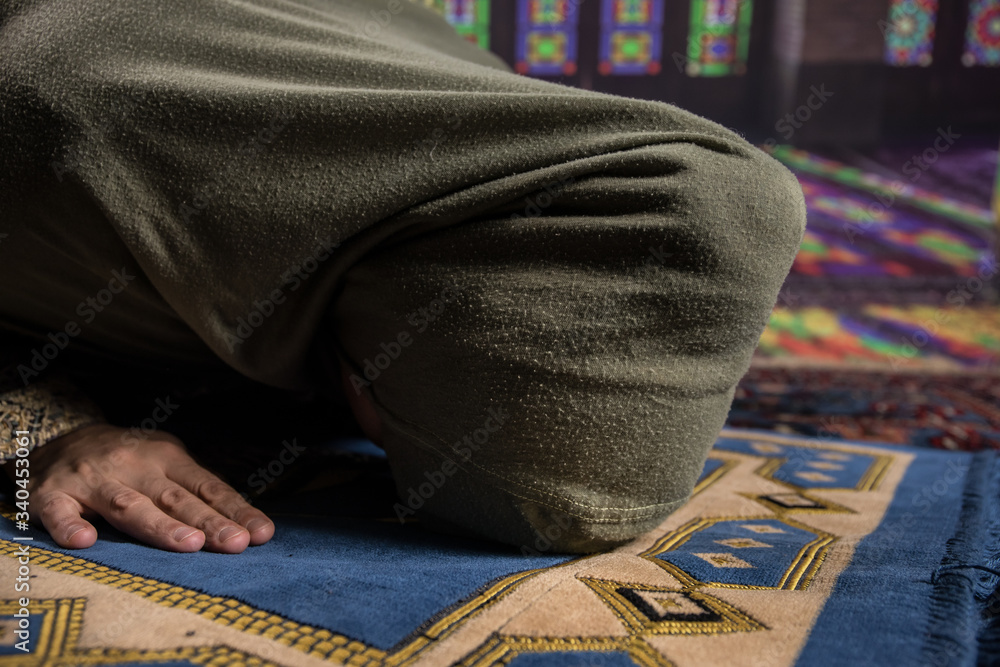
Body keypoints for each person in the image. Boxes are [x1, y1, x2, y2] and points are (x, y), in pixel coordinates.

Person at [0, 0, 806, 554]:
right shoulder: (47, 149)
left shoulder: (490, 131)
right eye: (393, 441)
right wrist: (45, 428)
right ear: (363, 384)